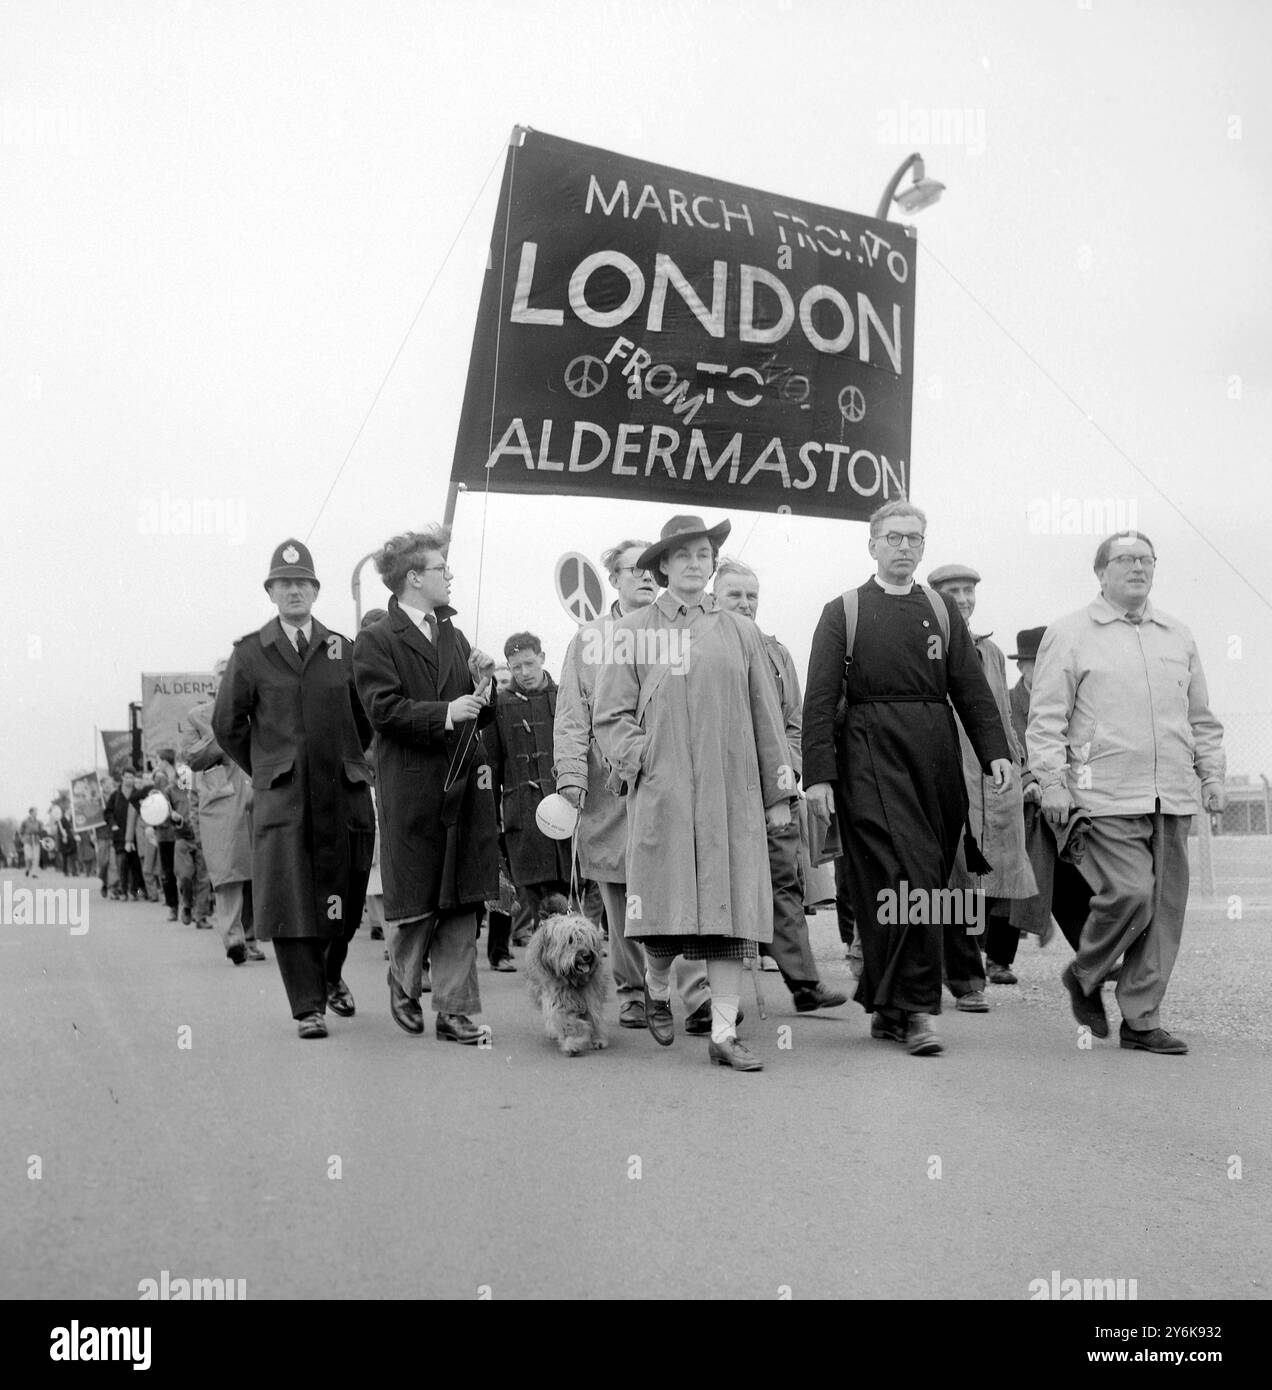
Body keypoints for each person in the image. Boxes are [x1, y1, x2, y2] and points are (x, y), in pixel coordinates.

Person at [802, 501, 1013, 1057]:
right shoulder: (842, 611)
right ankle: (918, 1010)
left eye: (914, 538)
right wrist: (818, 776)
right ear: (872, 545)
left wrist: (996, 753)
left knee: (913, 885)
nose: (904, 547)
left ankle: (887, 1002)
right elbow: (820, 699)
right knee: (904, 879)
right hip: (867, 756)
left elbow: (970, 688)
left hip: (934, 757)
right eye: (893, 537)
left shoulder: (942, 611)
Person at [594, 514, 791, 1072]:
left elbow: (766, 716)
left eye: (704, 553)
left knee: (730, 925)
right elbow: (610, 717)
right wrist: (648, 764)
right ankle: (657, 989)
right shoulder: (632, 631)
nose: (696, 563)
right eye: (683, 555)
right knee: (663, 915)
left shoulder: (740, 630)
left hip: (732, 798)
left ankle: (724, 1035)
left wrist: (778, 794)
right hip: (666, 797)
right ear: (661, 567)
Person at [1028, 530, 1225, 1055]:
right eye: (1125, 560)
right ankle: (1086, 973)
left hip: (1173, 795)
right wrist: (1050, 781)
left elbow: (1201, 718)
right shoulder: (1071, 633)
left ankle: (1141, 1020)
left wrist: (1212, 775)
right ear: (1101, 572)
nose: (1137, 568)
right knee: (1131, 893)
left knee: (1164, 913)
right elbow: (1046, 717)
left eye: (1146, 559)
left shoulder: (1177, 636)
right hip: (1103, 794)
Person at [213, 539, 374, 1038]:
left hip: (342, 794)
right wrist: (269, 767)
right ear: (271, 592)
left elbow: (364, 718)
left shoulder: (341, 650)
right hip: (285, 799)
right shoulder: (250, 653)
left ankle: (330, 975)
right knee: (291, 900)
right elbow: (227, 724)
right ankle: (308, 1007)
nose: (294, 592)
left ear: (316, 591)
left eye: (303, 583)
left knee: (343, 899)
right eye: (285, 584)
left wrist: (344, 756)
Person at [554, 538, 712, 1034]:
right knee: (622, 896)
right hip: (609, 791)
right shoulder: (589, 640)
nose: (645, 576)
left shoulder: (683, 628)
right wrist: (572, 779)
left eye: (650, 568)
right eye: (633, 569)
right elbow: (573, 716)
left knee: (681, 886)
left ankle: (696, 993)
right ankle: (631, 992)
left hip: (673, 785)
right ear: (615, 579)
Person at [353, 527, 501, 1045]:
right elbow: (382, 710)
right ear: (414, 578)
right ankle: (403, 978)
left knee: (461, 900)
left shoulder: (454, 636)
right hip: (414, 787)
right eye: (442, 568)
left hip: (462, 784)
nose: (450, 575)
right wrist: (445, 712)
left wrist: (485, 687)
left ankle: (456, 1012)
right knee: (417, 901)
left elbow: (478, 715)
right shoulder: (375, 640)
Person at [712, 557, 848, 1014]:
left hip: (772, 793)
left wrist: (784, 774)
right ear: (714, 598)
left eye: (752, 596)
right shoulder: (696, 645)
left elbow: (795, 722)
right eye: (735, 595)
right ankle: (706, 1000)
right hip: (717, 791)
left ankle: (804, 984)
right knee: (718, 889)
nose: (745, 603)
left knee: (783, 881)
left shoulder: (777, 653)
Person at [927, 562, 1037, 1000]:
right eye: (955, 590)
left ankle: (968, 962)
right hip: (947, 771)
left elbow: (1003, 717)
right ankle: (963, 975)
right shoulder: (928, 642)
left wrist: (1019, 768)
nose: (965, 598)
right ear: (936, 596)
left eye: (970, 590)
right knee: (953, 874)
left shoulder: (989, 652)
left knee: (997, 873)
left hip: (992, 777)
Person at [1006, 627, 1094, 952]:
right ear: (1022, 667)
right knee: (1040, 865)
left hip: (1066, 797)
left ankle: (1092, 951)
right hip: (1021, 799)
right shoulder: (1008, 703)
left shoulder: (1071, 698)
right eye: (1036, 662)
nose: (1045, 670)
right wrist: (1029, 783)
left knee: (1062, 869)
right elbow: (1007, 748)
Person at [488, 632, 573, 946]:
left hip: (564, 806)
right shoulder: (501, 705)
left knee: (564, 886)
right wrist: (492, 813)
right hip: (521, 809)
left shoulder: (565, 696)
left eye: (528, 663)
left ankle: (562, 952)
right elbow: (494, 762)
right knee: (533, 886)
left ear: (542, 657)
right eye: (515, 666)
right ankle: (543, 953)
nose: (523, 671)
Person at [186, 660, 263, 964]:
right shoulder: (198, 717)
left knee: (257, 872)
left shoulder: (256, 711)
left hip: (256, 798)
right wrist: (222, 733)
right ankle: (234, 939)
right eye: (222, 677)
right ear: (214, 683)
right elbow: (191, 757)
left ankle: (253, 938)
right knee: (229, 872)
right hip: (222, 802)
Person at [20, 808, 41, 877]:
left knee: (36, 857)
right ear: (31, 812)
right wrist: (22, 839)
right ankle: (28, 868)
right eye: (35, 812)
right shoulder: (25, 821)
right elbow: (21, 831)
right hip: (27, 840)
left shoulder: (38, 822)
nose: (37, 813)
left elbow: (40, 830)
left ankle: (34, 873)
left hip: (36, 840)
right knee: (29, 857)